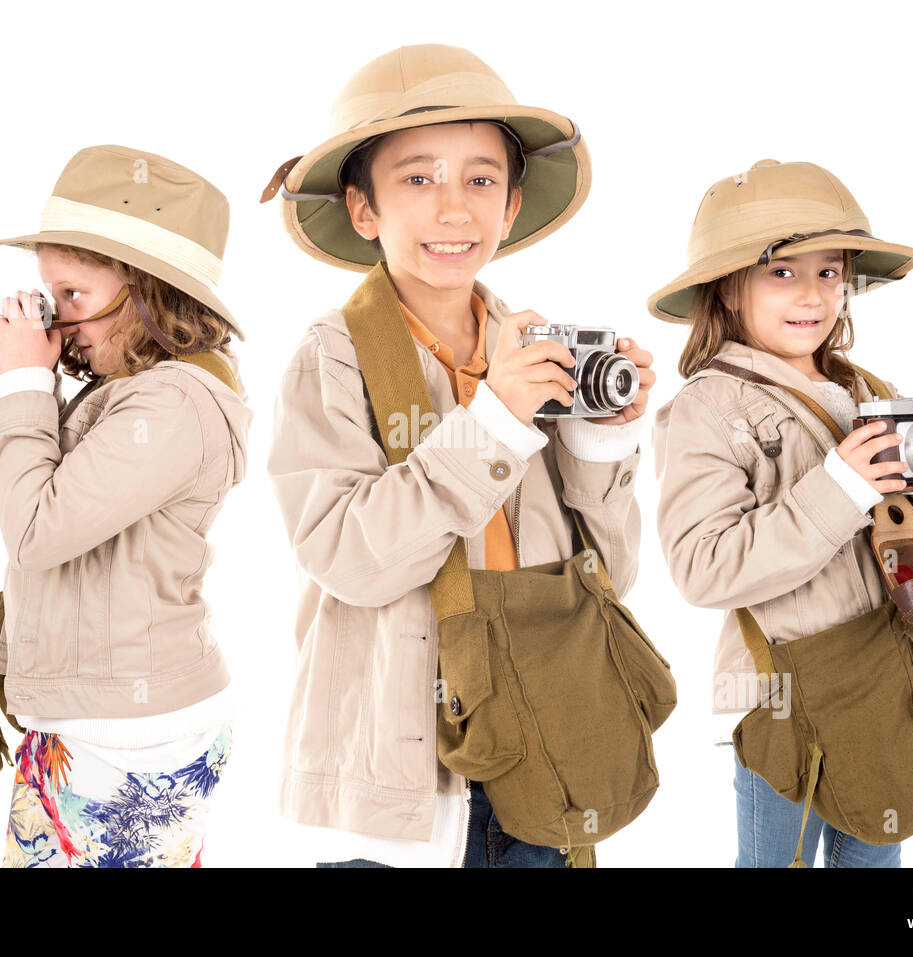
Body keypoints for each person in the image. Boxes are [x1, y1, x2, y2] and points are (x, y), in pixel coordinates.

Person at [263, 44, 653, 867]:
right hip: (400, 776)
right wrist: (496, 420)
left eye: (479, 179)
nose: (453, 209)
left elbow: (610, 572)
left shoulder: (530, 350)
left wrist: (599, 434)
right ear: (362, 209)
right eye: (417, 178)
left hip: (544, 740)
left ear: (512, 206)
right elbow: (350, 555)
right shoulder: (331, 358)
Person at [649, 159, 913, 868]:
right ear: (727, 289)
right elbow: (703, 570)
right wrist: (842, 486)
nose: (813, 295)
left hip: (887, 684)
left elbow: (897, 555)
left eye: (829, 272)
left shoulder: (867, 390)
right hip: (783, 700)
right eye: (783, 272)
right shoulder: (707, 408)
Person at [0, 144, 251, 867]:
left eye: (74, 297)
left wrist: (22, 384)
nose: (58, 322)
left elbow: (35, 530)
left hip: (126, 737)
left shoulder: (174, 403)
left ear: (149, 290)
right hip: (95, 726)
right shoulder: (135, 388)